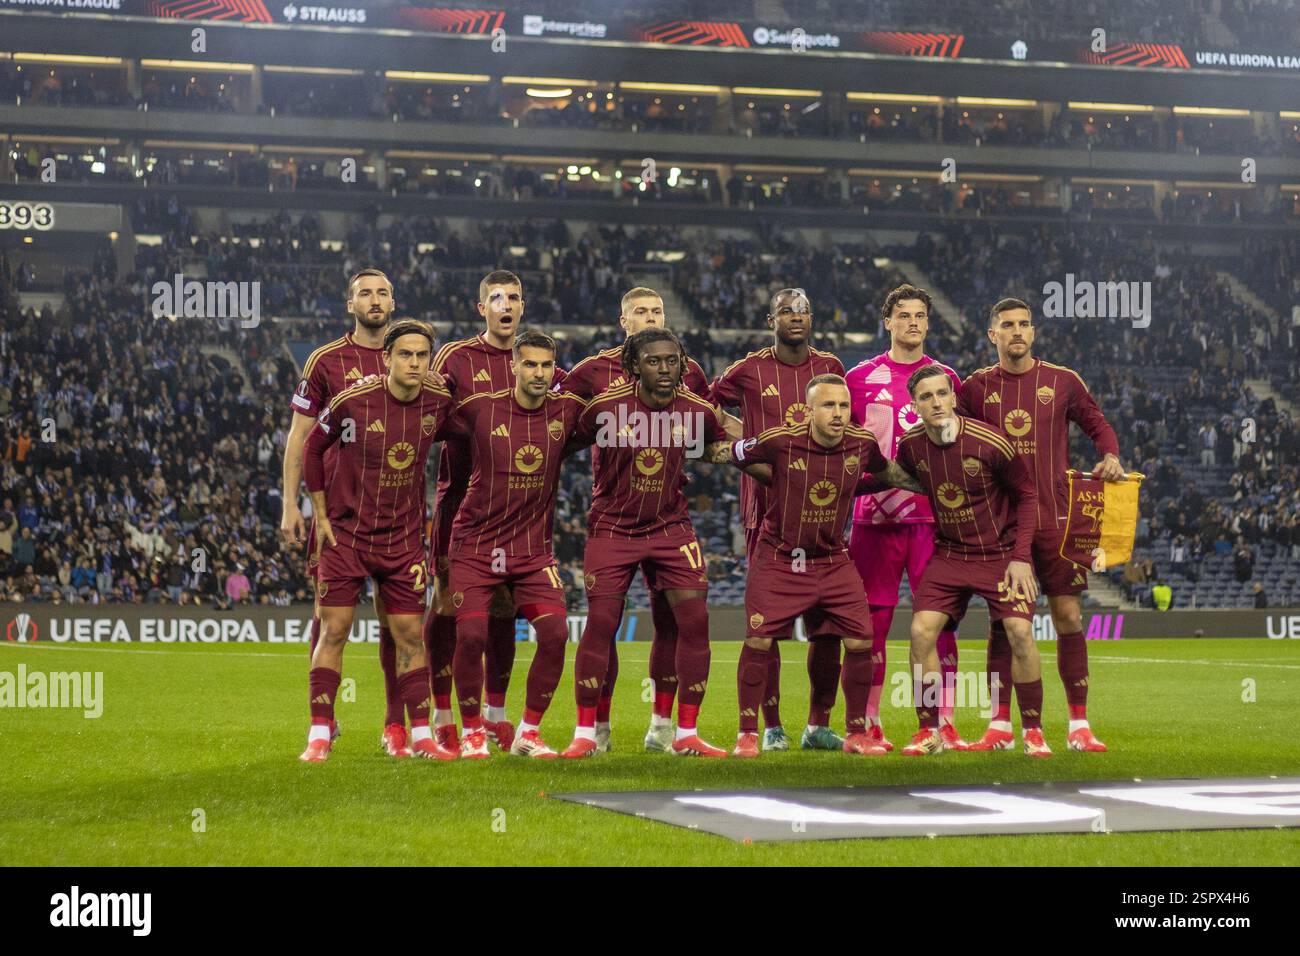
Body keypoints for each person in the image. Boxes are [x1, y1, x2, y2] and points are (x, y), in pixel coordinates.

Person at [957, 298, 1124, 753]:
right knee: (1005, 626)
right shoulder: (974, 389)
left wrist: (1110, 456)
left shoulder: (1062, 381)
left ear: (1033, 333)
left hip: (1059, 523)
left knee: (1069, 617)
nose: (1017, 331)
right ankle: (1000, 726)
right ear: (992, 335)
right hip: (1003, 529)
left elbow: (1098, 425)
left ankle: (1078, 725)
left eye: (1024, 324)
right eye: (1007, 325)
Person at [728, 374, 923, 757]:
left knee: (860, 639)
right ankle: (747, 733)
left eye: (844, 406)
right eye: (829, 405)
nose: (838, 413)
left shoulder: (863, 443)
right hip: (781, 557)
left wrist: (931, 483)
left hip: (832, 558)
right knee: (759, 640)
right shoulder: (779, 441)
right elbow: (734, 454)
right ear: (809, 410)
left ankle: (854, 734)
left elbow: (881, 475)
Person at [560, 328, 730, 758]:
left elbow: (721, 442)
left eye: (672, 361)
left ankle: (683, 732)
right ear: (633, 366)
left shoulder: (696, 411)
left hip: (670, 528)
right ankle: (586, 733)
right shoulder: (604, 409)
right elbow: (560, 443)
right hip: (612, 528)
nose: (665, 369)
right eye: (654, 361)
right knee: (601, 623)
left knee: (694, 622)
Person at [422, 270, 565, 753]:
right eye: (497, 298)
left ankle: (497, 715)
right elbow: (429, 416)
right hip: (462, 505)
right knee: (449, 608)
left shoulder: (537, 360)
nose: (507, 304)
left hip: (520, 512)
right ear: (481, 307)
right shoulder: (457, 357)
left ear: (523, 306)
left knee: (504, 613)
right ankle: (442, 711)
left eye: (515, 297)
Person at [299, 321, 454, 762]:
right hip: (347, 536)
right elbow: (312, 447)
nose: (415, 363)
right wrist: (321, 514)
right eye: (405, 354)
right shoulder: (352, 400)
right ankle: (319, 735)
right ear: (386, 358)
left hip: (402, 540)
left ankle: (421, 735)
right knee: (335, 630)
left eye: (422, 355)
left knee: (409, 636)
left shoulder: (439, 400)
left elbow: (469, 432)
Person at [279, 268, 411, 756]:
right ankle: (323, 721)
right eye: (364, 294)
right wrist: (290, 503)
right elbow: (300, 436)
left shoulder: (414, 356)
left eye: (382, 293)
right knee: (329, 618)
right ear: (349, 305)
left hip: (398, 514)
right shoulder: (326, 361)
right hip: (338, 511)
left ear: (393, 302)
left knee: (398, 623)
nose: (374, 301)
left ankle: (395, 724)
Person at [709, 288, 846, 752]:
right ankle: (770, 727)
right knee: (765, 628)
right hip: (764, 511)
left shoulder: (831, 368)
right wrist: (737, 432)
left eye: (804, 310)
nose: (796, 317)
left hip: (822, 509)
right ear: (771, 318)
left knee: (827, 626)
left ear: (812, 319)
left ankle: (818, 724)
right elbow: (704, 403)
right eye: (787, 310)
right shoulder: (749, 369)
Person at [442, 329, 585, 758]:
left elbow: (615, 418)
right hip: (474, 545)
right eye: (530, 364)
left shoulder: (568, 413)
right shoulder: (480, 410)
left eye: (546, 365)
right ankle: (471, 731)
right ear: (514, 366)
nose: (538, 373)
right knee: (470, 636)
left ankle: (529, 732)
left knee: (556, 633)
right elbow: (418, 424)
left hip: (532, 551)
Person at [896, 366, 1047, 757]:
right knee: (920, 633)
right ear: (914, 406)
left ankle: (1032, 730)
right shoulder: (910, 447)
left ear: (953, 396)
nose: (936, 402)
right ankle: (928, 730)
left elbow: (1028, 496)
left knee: (1019, 631)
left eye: (942, 393)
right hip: (950, 555)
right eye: (926, 397)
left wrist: (1021, 557)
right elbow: (892, 477)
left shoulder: (992, 441)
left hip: (999, 554)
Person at [846, 283, 965, 752]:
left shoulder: (946, 378)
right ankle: (870, 719)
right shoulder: (859, 378)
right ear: (888, 321)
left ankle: (944, 719)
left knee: (940, 624)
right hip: (873, 519)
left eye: (920, 316)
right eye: (904, 315)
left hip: (931, 520)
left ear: (928, 323)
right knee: (871, 624)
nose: (913, 323)